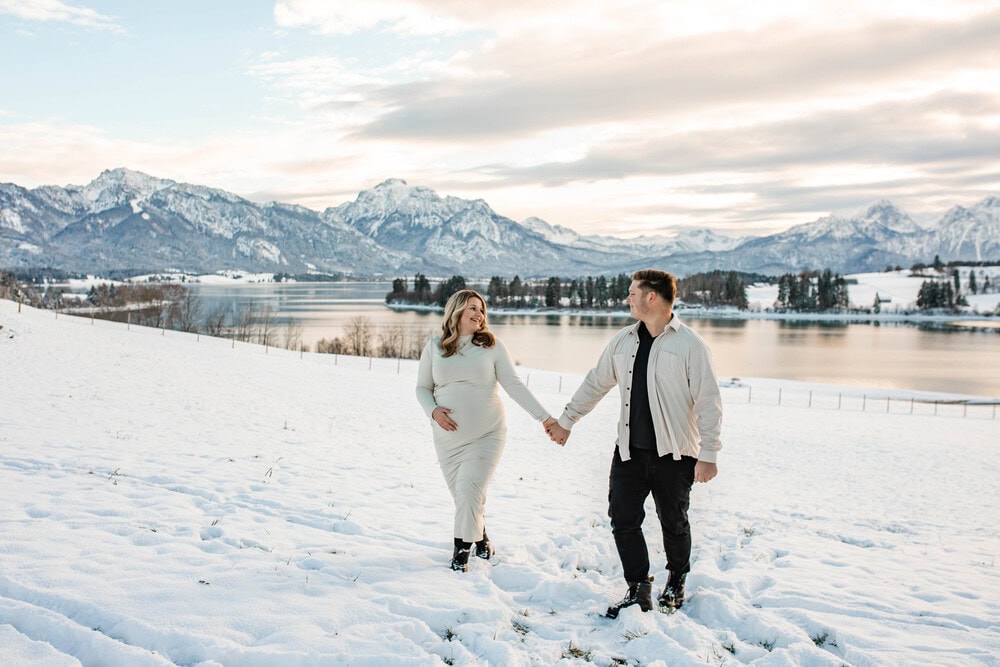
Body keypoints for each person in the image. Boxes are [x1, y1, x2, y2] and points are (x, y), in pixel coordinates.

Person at [546, 269, 722, 617]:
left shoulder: (690, 345)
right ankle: (638, 586)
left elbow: (709, 402)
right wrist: (567, 421)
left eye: (632, 293)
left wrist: (709, 454)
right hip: (629, 451)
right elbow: (596, 383)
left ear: (651, 297)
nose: (627, 299)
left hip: (674, 454)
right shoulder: (624, 341)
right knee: (622, 518)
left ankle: (677, 578)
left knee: (674, 522)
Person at [416, 289, 558, 572]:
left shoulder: (491, 346)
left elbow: (514, 385)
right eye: (472, 308)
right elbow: (422, 388)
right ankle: (481, 538)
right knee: (464, 495)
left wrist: (545, 418)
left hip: (487, 434)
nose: (479, 314)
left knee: (468, 490)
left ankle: (460, 554)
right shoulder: (435, 346)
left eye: (482, 309)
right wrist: (432, 410)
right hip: (448, 438)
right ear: (456, 311)